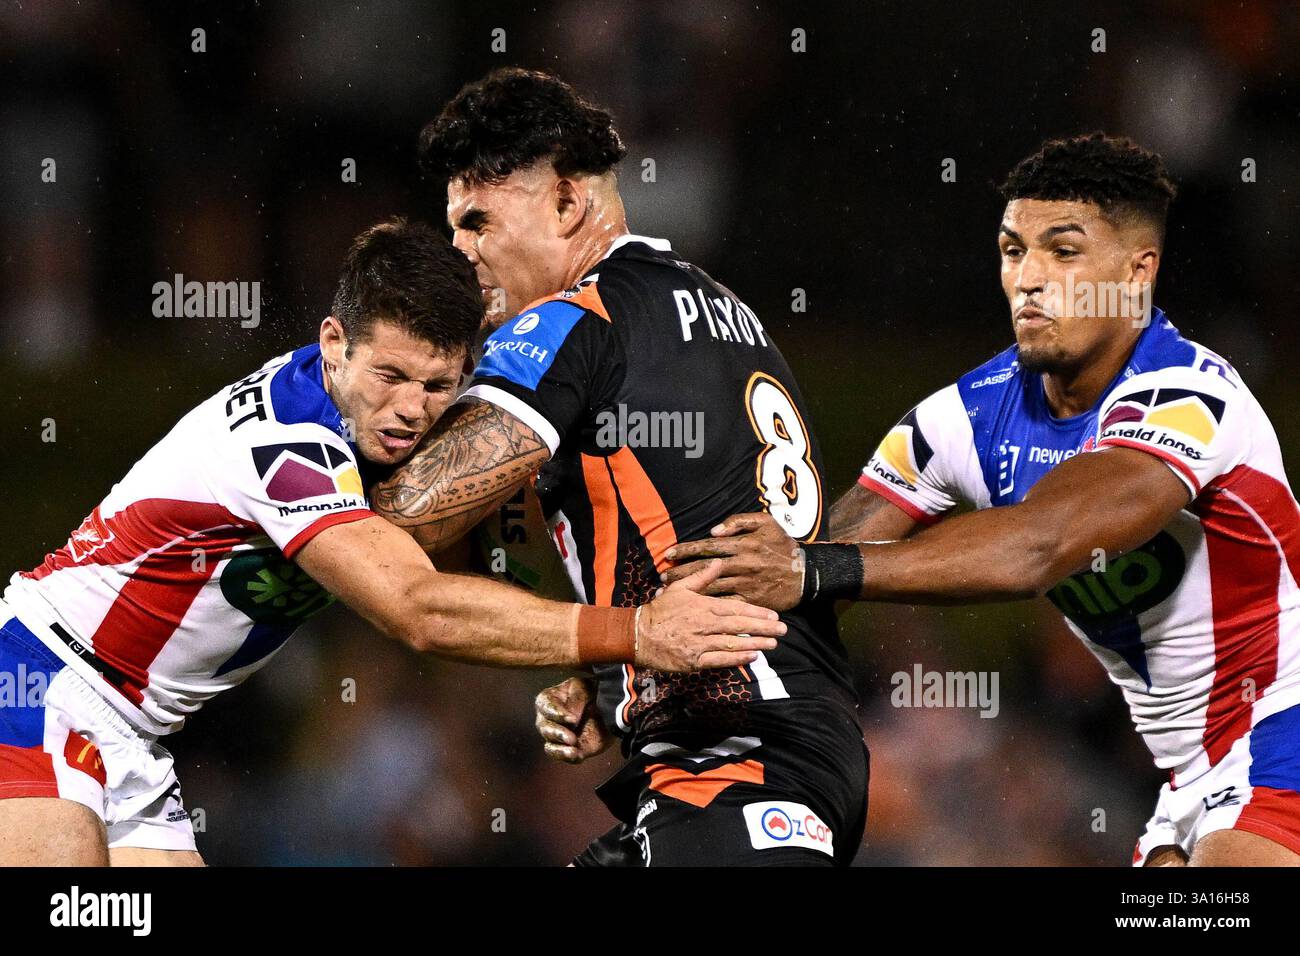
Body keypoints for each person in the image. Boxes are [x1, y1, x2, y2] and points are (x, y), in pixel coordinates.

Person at [0, 217, 782, 866]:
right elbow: (419, 611)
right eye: (391, 376)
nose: (412, 409)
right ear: (334, 342)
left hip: (137, 734)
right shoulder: (285, 445)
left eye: (438, 385)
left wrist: (591, 674)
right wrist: (638, 634)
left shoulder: (389, 433)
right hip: (39, 682)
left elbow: (485, 567)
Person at [650, 133, 1300, 866]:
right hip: (1188, 777)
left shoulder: (1188, 398)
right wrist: (631, 674)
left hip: (1284, 728)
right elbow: (809, 561)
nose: (1028, 278)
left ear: (1137, 272)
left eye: (1063, 251)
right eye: (1013, 249)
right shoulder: (968, 414)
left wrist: (810, 570)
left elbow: (1037, 544)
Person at [371, 68, 869, 866]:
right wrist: (614, 676)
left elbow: (404, 520)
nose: (458, 252)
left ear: (568, 204)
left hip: (736, 754)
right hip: (781, 744)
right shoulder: (720, 307)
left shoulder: (576, 320)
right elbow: (675, 509)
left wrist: (299, 459)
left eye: (476, 222)